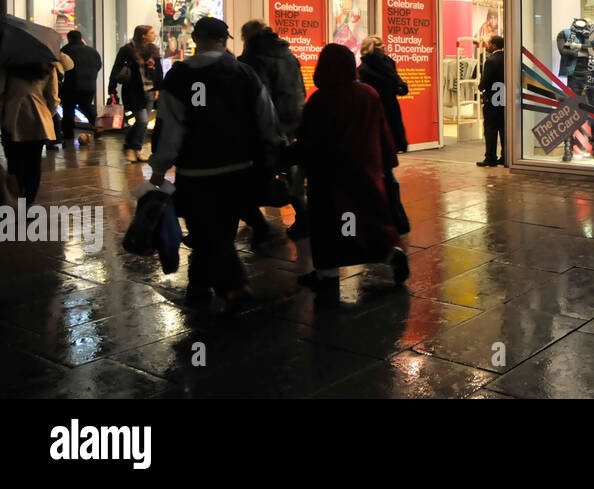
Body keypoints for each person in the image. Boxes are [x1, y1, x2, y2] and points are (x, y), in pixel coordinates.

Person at [147, 17, 285, 310]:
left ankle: (233, 286)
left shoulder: (179, 77)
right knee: (218, 229)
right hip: (239, 168)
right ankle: (199, 286)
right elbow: (267, 119)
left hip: (195, 171)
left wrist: (159, 166)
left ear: (196, 39)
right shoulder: (244, 74)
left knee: (207, 231)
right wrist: (274, 151)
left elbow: (170, 128)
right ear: (225, 41)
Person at [293, 43, 408, 308]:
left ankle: (327, 275)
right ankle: (390, 252)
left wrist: (285, 158)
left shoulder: (320, 100)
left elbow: (309, 141)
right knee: (369, 218)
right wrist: (388, 163)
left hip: (329, 175)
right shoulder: (368, 94)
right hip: (366, 170)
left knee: (328, 225)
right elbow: (382, 131)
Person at [238, 19, 309, 243]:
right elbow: (301, 86)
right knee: (292, 165)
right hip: (293, 117)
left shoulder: (252, 58)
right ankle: (304, 216)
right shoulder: (287, 53)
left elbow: (259, 96)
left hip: (268, 122)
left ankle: (256, 221)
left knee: (252, 172)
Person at [0, 60, 59, 203]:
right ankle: (28, 203)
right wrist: (47, 115)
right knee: (33, 163)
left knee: (14, 163)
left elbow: (1, 93)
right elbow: (53, 97)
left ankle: (15, 200)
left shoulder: (8, 64)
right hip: (38, 118)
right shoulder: (48, 65)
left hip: (12, 117)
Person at [108, 25, 162, 163]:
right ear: (143, 35)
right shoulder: (127, 50)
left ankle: (135, 149)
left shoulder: (153, 49)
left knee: (143, 123)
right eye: (151, 32)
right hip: (134, 90)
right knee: (142, 120)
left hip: (150, 90)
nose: (154, 35)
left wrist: (158, 88)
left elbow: (159, 70)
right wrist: (112, 89)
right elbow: (116, 69)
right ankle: (131, 147)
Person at [359, 35, 409, 152]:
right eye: (379, 44)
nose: (383, 46)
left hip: (391, 106)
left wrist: (401, 86)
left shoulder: (389, 62)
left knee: (391, 140)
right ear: (371, 48)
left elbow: (395, 79)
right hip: (376, 110)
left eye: (382, 43)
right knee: (380, 143)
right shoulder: (365, 69)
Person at [59, 30, 102, 145]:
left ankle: (68, 134)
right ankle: (97, 125)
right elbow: (98, 66)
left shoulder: (65, 51)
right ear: (81, 38)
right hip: (89, 85)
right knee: (87, 106)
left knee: (68, 109)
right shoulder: (93, 51)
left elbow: (60, 68)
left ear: (69, 39)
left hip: (70, 85)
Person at [477, 34, 505, 167]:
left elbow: (485, 82)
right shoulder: (508, 59)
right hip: (505, 100)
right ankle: (505, 156)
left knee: (490, 129)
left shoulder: (490, 61)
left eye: (489, 43)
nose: (487, 45)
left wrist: (480, 87)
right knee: (504, 129)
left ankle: (490, 157)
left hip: (492, 100)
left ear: (494, 45)